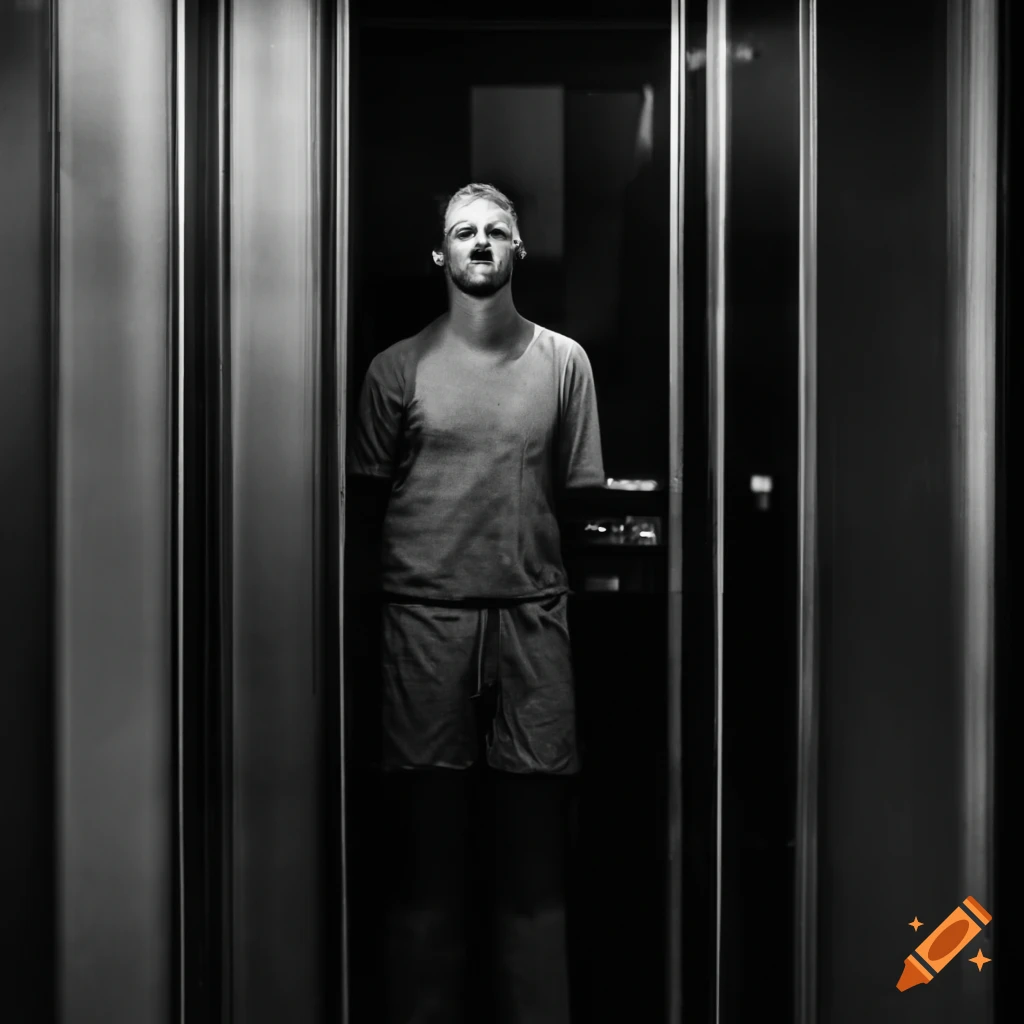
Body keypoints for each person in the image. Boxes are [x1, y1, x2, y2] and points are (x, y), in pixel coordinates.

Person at [348, 182, 605, 1024]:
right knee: (426, 871)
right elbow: (362, 507)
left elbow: (578, 493)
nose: (482, 243)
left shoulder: (564, 362)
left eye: (497, 231)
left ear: (520, 248)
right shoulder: (397, 369)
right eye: (465, 233)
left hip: (532, 623)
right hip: (424, 625)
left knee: (535, 874)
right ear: (441, 255)